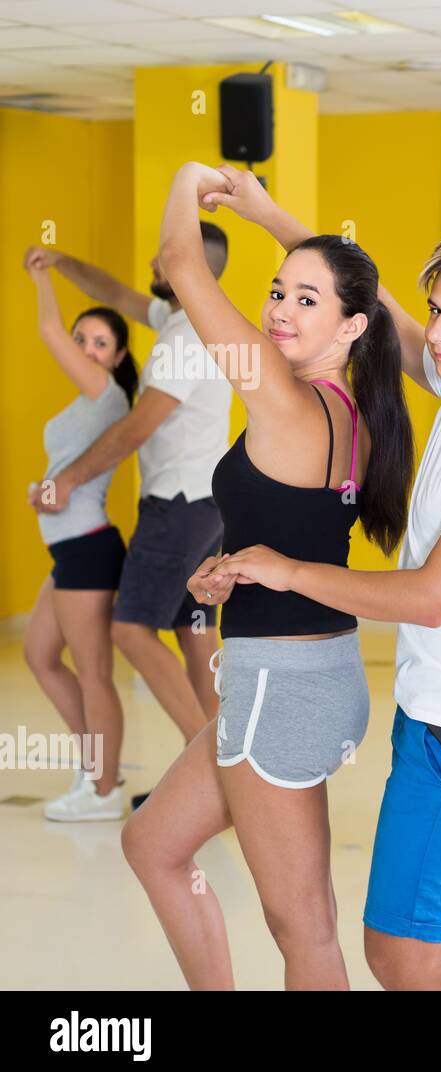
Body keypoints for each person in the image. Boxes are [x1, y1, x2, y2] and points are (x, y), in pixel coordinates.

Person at [203, 194, 441, 989]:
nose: (438, 333)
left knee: (398, 954)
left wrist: (288, 568)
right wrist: (272, 214)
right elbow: (367, 299)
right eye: (438, 309)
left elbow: (435, 597)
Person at [119, 162, 413, 990]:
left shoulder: (286, 400)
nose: (280, 309)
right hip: (289, 669)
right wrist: (234, 571)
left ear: (353, 326)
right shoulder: (347, 410)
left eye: (306, 300)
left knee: (305, 931)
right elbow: (298, 535)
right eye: (278, 291)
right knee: (152, 844)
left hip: (282, 688)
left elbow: (180, 261)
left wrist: (185, 173)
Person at [25, 225, 233, 806]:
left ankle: (213, 781)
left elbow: (142, 423)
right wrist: (63, 261)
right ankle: (228, 777)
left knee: (129, 629)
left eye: (164, 256)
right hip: (204, 506)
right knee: (195, 637)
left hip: (178, 508)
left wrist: (66, 479)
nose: (152, 260)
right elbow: (116, 294)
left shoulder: (185, 337)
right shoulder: (184, 321)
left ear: (188, 265)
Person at [22, 259, 135, 821]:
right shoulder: (85, 404)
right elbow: (69, 471)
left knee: (93, 671)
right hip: (70, 547)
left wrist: (43, 274)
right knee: (39, 654)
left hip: (88, 547)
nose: (87, 350)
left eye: (99, 342)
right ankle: (95, 763)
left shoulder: (106, 393)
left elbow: (46, 330)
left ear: (116, 357)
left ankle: (104, 788)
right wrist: (42, 489)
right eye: (80, 340)